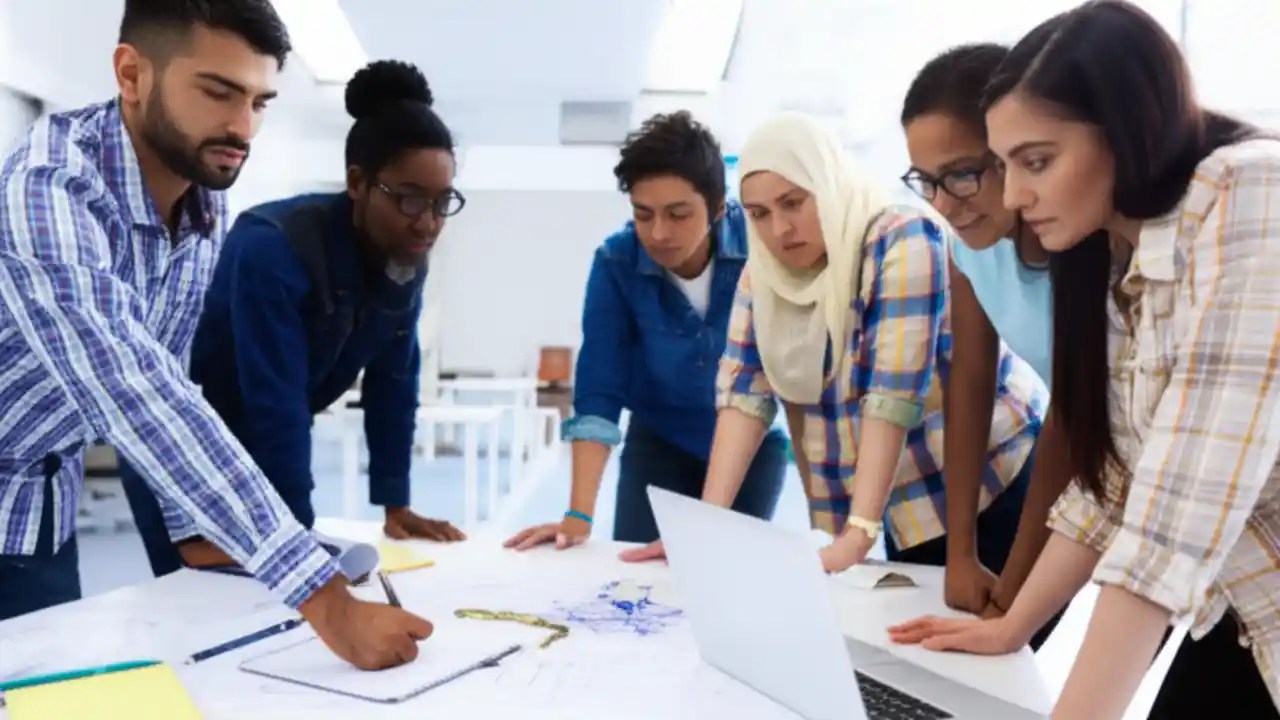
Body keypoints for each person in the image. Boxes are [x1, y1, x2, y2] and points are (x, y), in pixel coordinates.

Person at [0, 0, 432, 671]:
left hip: (34, 503)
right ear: (132, 73)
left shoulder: (202, 201)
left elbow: (170, 371)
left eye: (260, 101)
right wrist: (320, 596)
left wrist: (193, 529)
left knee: (37, 691)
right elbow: (130, 388)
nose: (242, 125)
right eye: (217, 92)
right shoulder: (50, 186)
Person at [886, 2, 1280, 718]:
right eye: (1005, 166)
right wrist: (1013, 625)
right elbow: (1117, 478)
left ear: (1129, 130)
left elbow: (1173, 519)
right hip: (1247, 598)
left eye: (1036, 162)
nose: (1013, 196)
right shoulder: (1115, 252)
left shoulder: (1252, 195)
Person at [622, 112, 1048, 581]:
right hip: (895, 505)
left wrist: (858, 532)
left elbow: (892, 395)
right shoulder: (763, 272)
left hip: (992, 486)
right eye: (760, 214)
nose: (780, 230)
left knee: (975, 644)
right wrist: (701, 530)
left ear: (825, 185)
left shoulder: (901, 237)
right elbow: (744, 394)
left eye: (793, 203)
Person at [119, 60, 467, 578]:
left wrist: (395, 503)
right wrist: (302, 551)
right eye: (411, 199)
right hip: (183, 457)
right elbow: (275, 404)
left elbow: (395, 381)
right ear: (358, 183)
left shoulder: (403, 258)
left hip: (259, 446)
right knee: (206, 614)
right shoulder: (274, 245)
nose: (430, 222)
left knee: (278, 614)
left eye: (442, 202)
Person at [504, 112, 789, 552]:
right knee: (638, 578)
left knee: (735, 574)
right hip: (660, 443)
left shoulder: (762, 250)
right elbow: (600, 387)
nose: (659, 233)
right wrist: (578, 516)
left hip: (753, 448)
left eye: (678, 215)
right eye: (643, 214)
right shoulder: (616, 263)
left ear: (716, 208)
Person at [901, 44, 1065, 645]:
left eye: (963, 174)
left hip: (1090, 467)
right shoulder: (968, 242)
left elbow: (1068, 422)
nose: (943, 204)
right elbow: (970, 379)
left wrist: (1016, 582)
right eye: (927, 181)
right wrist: (960, 552)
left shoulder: (1072, 240)